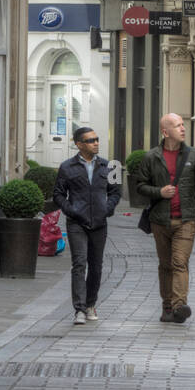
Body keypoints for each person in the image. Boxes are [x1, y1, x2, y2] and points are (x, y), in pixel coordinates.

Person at [137, 113, 195, 323]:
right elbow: (139, 186)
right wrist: (159, 192)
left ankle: (180, 305)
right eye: (178, 126)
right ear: (165, 132)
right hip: (160, 220)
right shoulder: (151, 157)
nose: (183, 129)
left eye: (183, 125)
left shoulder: (194, 155)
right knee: (165, 264)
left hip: (186, 219)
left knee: (179, 261)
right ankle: (167, 306)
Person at [53, 127, 121, 324]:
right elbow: (58, 194)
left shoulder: (110, 166)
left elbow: (116, 192)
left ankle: (91, 304)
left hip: (99, 224)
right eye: (91, 140)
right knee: (79, 264)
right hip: (77, 223)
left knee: (96, 267)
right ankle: (80, 310)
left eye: (97, 139)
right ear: (79, 144)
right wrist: (71, 210)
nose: (96, 143)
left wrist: (106, 209)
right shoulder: (67, 167)